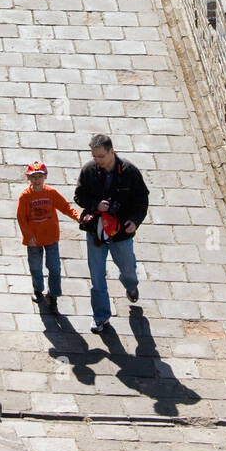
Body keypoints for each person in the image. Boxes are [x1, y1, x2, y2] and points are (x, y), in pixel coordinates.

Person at [74, 133, 149, 334]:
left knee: (127, 269)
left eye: (101, 156)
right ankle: (100, 317)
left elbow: (142, 199)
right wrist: (95, 205)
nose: (97, 160)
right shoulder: (89, 170)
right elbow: (79, 195)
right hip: (96, 232)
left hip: (121, 233)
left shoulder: (129, 172)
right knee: (96, 276)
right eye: (94, 156)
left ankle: (131, 286)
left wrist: (135, 220)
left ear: (111, 151)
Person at [17, 161, 82, 314]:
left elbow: (65, 207)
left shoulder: (51, 193)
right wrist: (28, 236)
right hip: (34, 240)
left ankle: (53, 296)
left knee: (54, 268)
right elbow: (21, 218)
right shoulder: (25, 196)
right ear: (29, 178)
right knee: (35, 267)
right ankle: (38, 290)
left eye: (40, 177)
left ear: (45, 177)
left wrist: (77, 217)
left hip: (51, 237)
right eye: (33, 177)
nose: (37, 180)